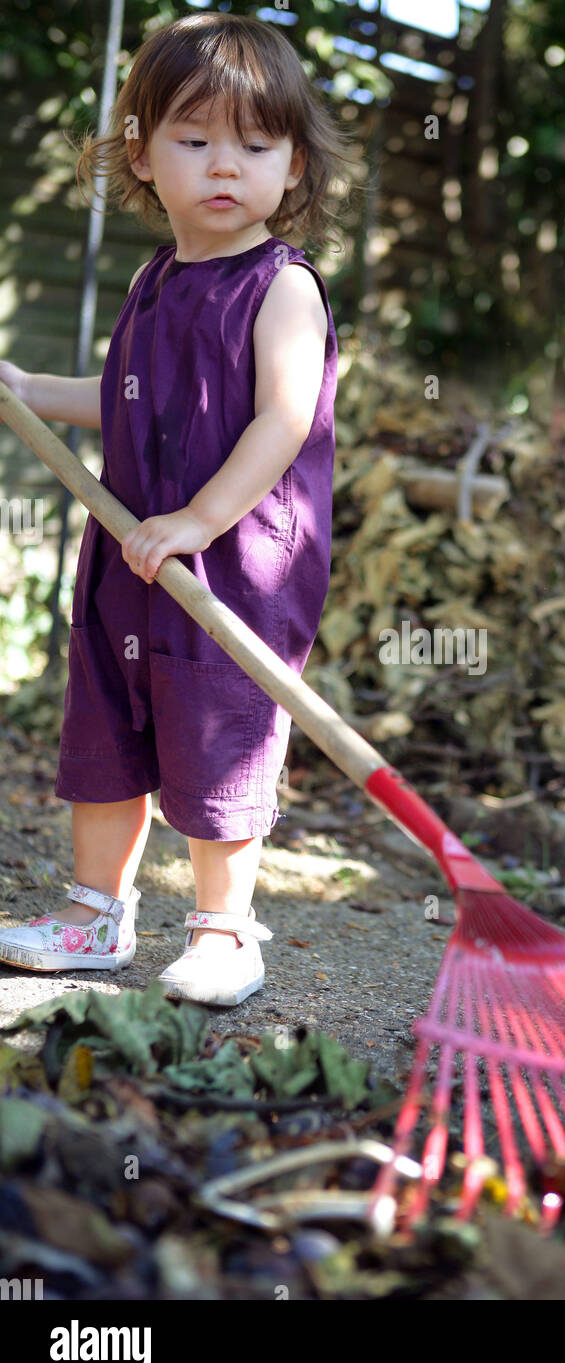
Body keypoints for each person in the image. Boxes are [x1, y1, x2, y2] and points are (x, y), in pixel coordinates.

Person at [0, 12, 357, 1006]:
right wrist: (29, 387)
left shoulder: (280, 289)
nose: (223, 166)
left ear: (294, 166)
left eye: (254, 143)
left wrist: (202, 519)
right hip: (130, 551)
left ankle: (223, 929)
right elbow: (118, 388)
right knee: (107, 725)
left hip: (230, 564)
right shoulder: (155, 282)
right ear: (142, 156)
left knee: (217, 724)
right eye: (194, 140)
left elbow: (284, 420)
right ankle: (93, 913)